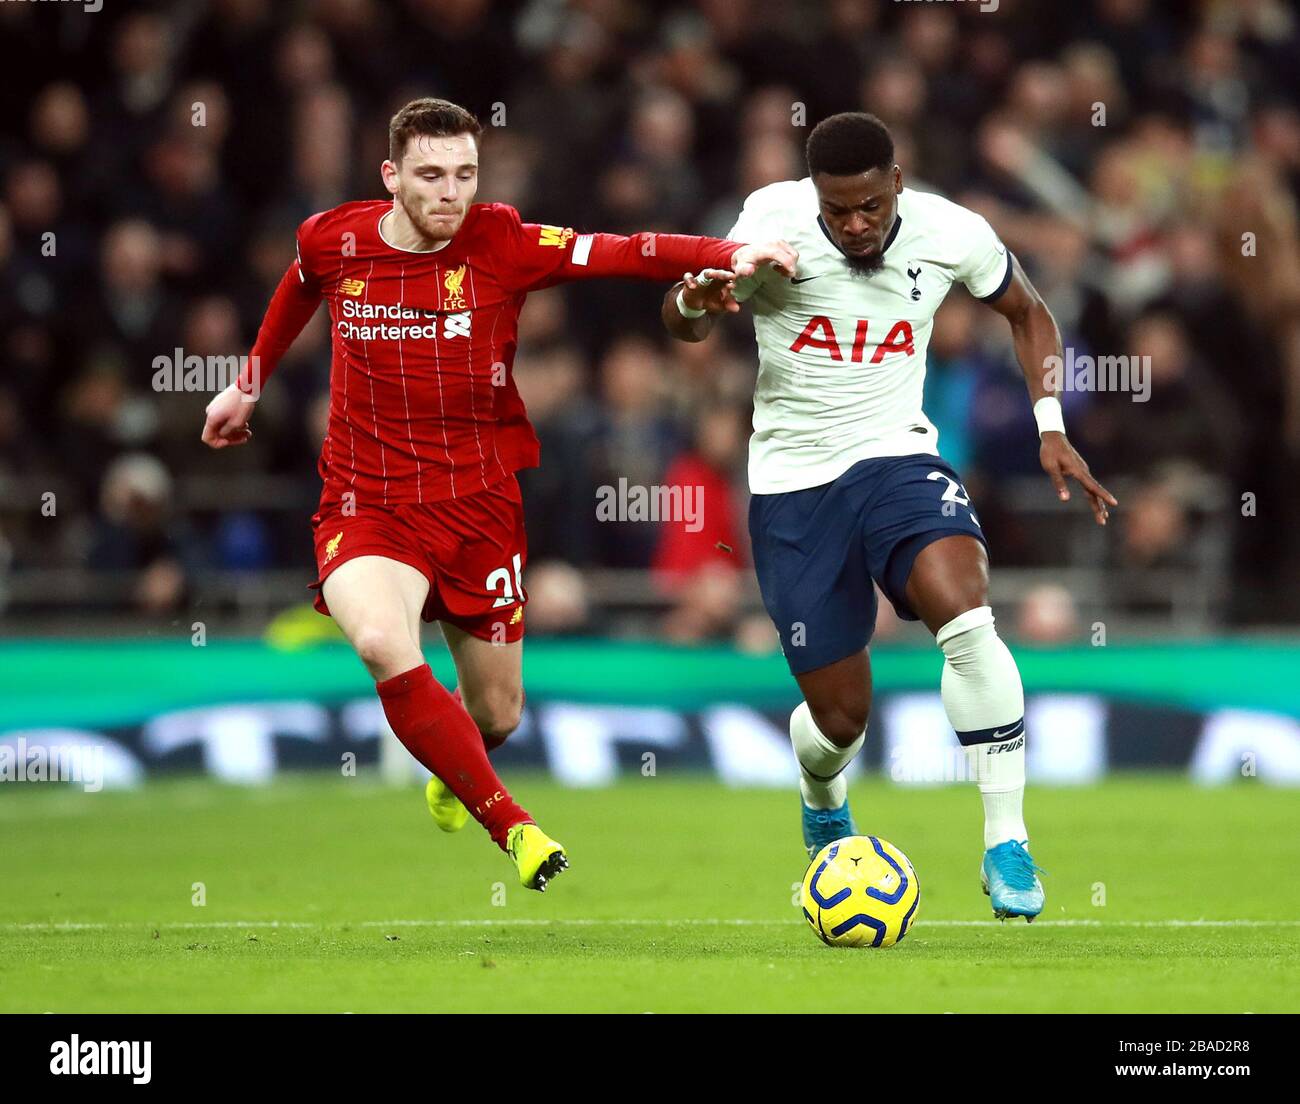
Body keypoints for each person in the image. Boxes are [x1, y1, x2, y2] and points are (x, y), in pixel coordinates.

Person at [202, 97, 796, 892]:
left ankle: (455, 761)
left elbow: (621, 250)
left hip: (478, 506)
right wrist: (247, 383)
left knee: (497, 716)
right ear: (392, 176)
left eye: (465, 175)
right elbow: (300, 284)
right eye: (431, 175)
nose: (450, 193)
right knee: (383, 642)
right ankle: (515, 828)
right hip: (365, 501)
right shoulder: (333, 238)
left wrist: (729, 251)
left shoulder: (503, 242)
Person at [661, 112, 1116, 921]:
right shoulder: (771, 221)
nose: (856, 224)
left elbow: (1029, 310)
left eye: (870, 205)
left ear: (896, 183)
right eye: (839, 211)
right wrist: (697, 299)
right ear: (815, 198)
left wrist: (1051, 424)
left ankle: (1005, 841)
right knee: (840, 720)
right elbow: (685, 320)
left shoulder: (951, 231)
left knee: (966, 612)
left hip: (898, 457)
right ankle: (821, 794)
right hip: (794, 485)